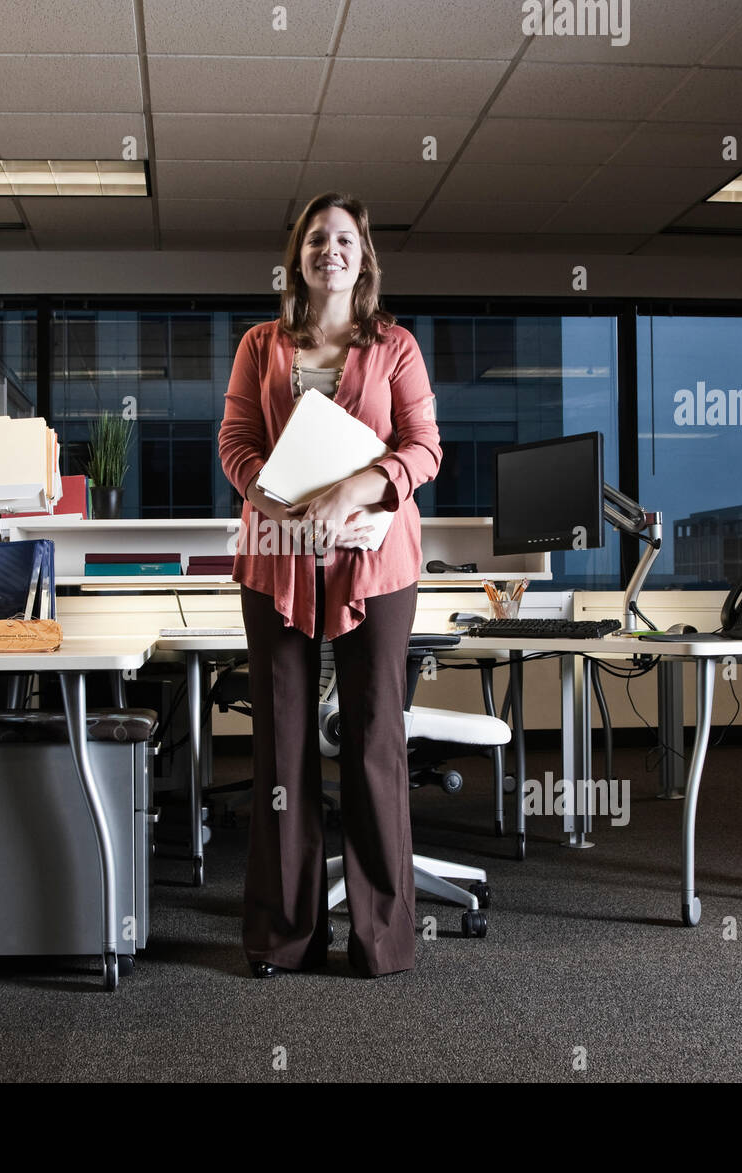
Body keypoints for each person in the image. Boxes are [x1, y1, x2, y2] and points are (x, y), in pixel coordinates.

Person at [217, 191, 442, 979]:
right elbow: (236, 443)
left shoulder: (396, 348)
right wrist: (281, 500)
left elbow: (425, 448)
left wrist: (361, 488)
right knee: (283, 747)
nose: (330, 249)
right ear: (299, 255)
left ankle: (382, 937)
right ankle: (285, 936)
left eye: (344, 238)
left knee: (375, 741)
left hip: (373, 564)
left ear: (363, 257)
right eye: (317, 238)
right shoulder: (260, 345)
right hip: (279, 555)